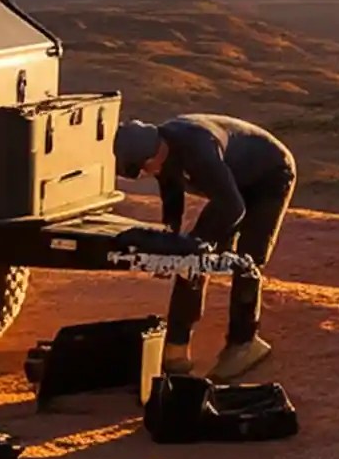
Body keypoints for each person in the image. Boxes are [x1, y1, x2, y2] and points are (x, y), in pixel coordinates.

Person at [113, 114, 297, 381]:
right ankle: (176, 350)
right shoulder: (163, 150)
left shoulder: (198, 149)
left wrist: (197, 246)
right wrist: (168, 248)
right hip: (233, 184)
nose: (146, 174)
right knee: (188, 258)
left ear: (155, 154)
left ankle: (244, 342)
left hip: (269, 177)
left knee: (246, 258)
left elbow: (234, 207)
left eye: (142, 168)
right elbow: (173, 203)